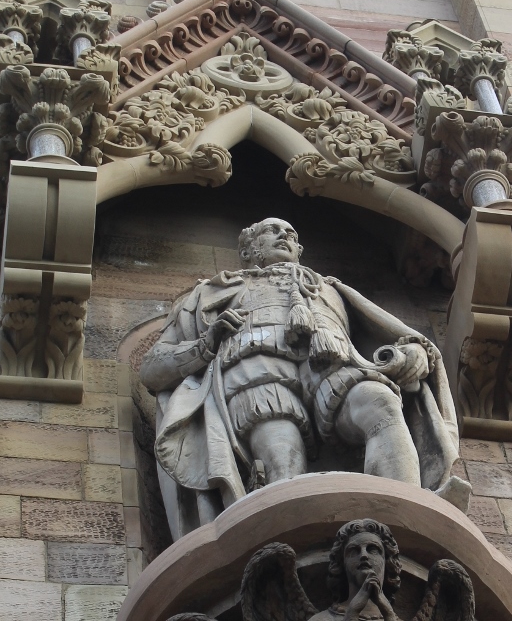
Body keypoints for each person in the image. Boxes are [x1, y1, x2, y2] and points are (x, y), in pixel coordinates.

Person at [140, 218, 462, 540]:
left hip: (334, 364)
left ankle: (404, 526)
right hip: (256, 375)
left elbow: (394, 336)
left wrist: (416, 354)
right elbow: (153, 370)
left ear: (299, 250)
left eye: (291, 234)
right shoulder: (208, 294)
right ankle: (287, 552)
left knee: (381, 404)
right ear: (250, 248)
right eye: (273, 230)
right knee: (282, 453)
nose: (285, 235)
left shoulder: (329, 288)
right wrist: (205, 344)